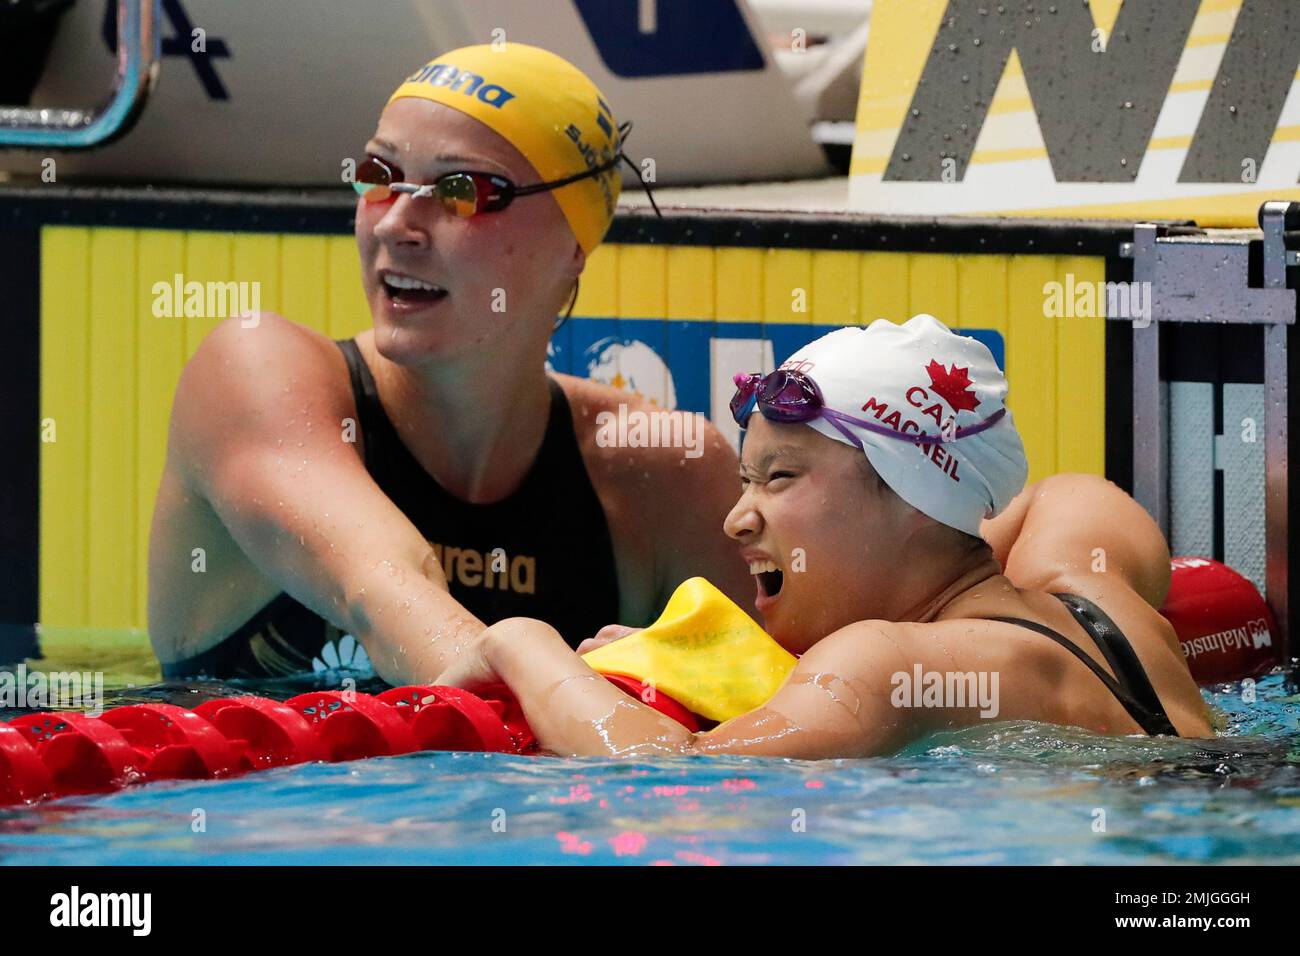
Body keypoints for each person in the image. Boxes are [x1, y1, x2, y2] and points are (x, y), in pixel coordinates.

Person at [147, 43, 750, 682]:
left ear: (574, 244)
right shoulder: (255, 371)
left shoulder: (659, 475)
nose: (397, 225)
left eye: (462, 190)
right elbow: (378, 588)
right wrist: (566, 688)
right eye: (380, 176)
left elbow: (796, 712)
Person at [437, 314, 1215, 757]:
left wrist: (521, 643)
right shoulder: (1105, 603)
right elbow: (1075, 493)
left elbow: (661, 774)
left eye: (779, 479)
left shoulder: (881, 662)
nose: (737, 519)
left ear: (908, 496)